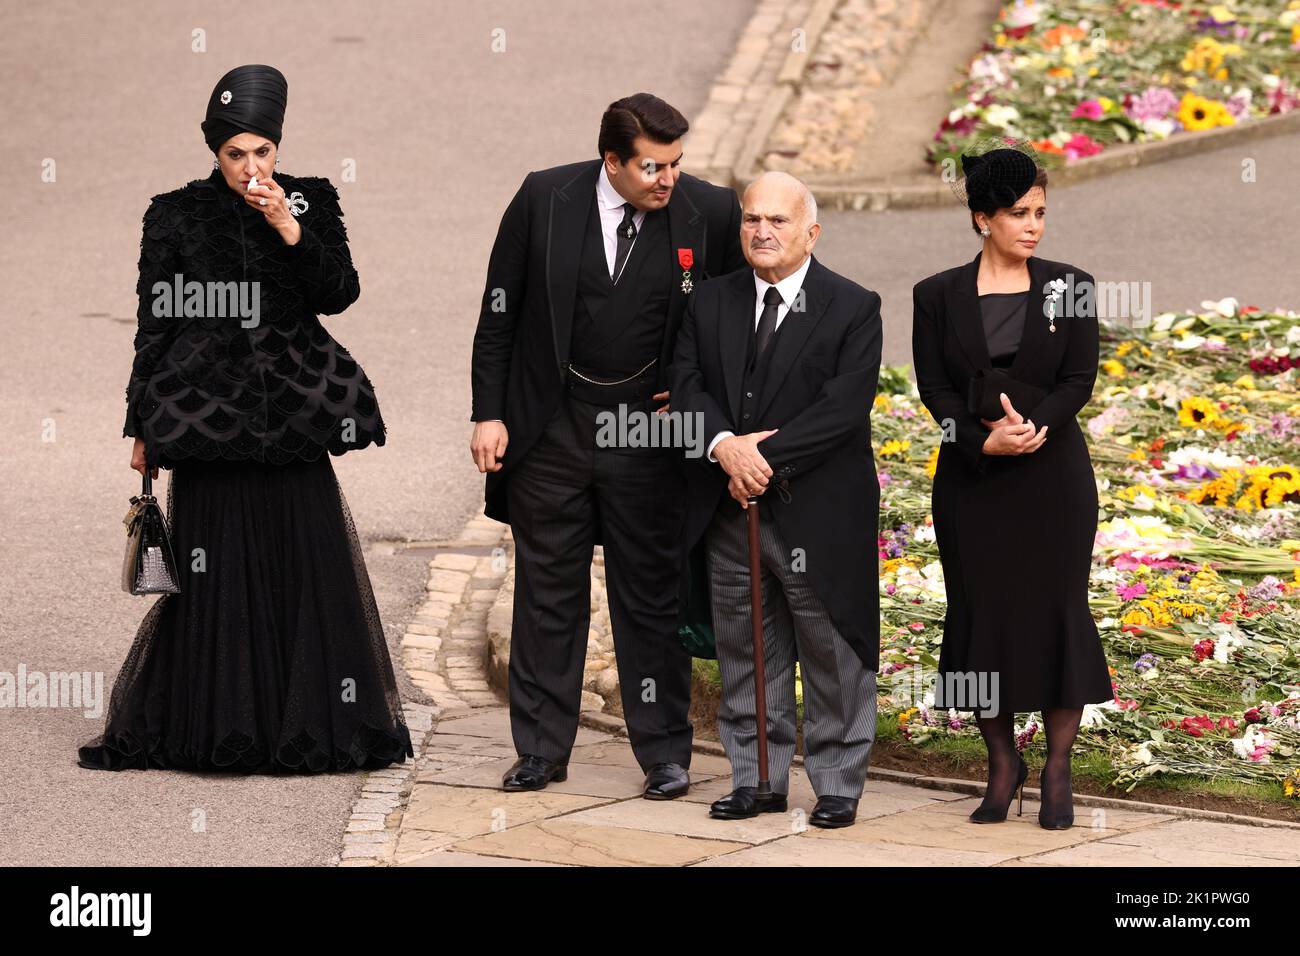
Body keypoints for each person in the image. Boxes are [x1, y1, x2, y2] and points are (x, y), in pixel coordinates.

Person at [78, 64, 413, 772]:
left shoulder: (311, 201)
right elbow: (154, 323)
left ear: (278, 147)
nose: (250, 166)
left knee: (306, 562)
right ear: (215, 150)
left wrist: (289, 226)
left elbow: (339, 293)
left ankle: (309, 724)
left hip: (293, 415)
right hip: (205, 417)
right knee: (213, 571)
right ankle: (221, 726)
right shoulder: (173, 214)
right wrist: (140, 426)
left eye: (262, 151)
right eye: (235, 153)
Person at [468, 93, 746, 797]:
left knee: (649, 598)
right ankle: (539, 750)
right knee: (547, 595)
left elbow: (733, 320)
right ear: (611, 161)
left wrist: (693, 392)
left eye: (676, 164)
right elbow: (499, 308)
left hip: (649, 437)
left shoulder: (708, 213)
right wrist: (489, 413)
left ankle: (664, 754)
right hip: (552, 427)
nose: (667, 179)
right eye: (652, 166)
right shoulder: (544, 198)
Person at [672, 171, 883, 829]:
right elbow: (683, 387)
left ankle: (838, 783)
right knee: (745, 649)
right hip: (730, 511)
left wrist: (760, 456)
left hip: (817, 515)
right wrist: (723, 447)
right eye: (751, 219)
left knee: (829, 649)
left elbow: (843, 408)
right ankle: (757, 778)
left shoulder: (852, 306)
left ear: (810, 231)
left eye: (779, 220)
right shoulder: (708, 302)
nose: (762, 231)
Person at [910, 144, 1112, 828]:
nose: (1033, 226)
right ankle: (1002, 765)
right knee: (980, 619)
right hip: (973, 481)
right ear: (981, 219)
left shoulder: (1071, 284)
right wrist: (979, 440)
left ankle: (1057, 769)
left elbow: (1078, 380)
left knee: (1058, 614)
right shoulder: (935, 295)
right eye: (1018, 214)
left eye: (1041, 213)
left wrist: (1036, 429)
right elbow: (933, 390)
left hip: (1053, 482)